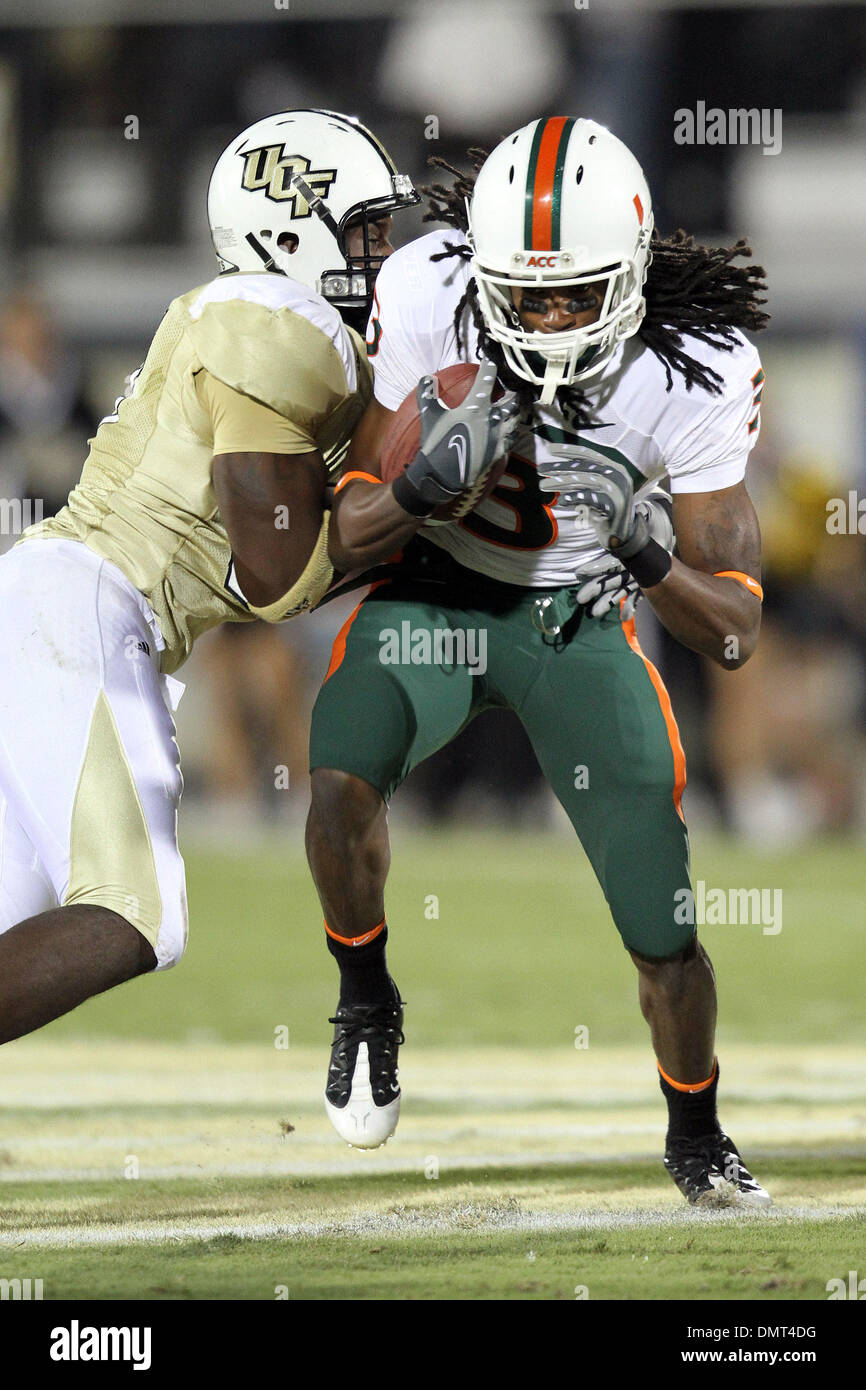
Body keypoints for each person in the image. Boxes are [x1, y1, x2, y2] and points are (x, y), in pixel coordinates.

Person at [304, 117, 773, 1208]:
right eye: (527, 293)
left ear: (630, 271)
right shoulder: (431, 287)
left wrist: (644, 552)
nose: (548, 315)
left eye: (574, 294)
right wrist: (421, 484)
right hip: (439, 587)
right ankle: (364, 997)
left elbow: (737, 631)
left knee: (662, 925)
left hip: (576, 614)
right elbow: (351, 524)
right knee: (336, 768)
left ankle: (695, 1130)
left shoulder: (696, 365)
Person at [0, 109, 422, 1043]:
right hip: (85, 608)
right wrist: (424, 489)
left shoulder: (266, 323)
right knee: (134, 915)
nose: (383, 250)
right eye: (365, 228)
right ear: (288, 232)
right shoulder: (276, 320)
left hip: (46, 608)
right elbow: (276, 572)